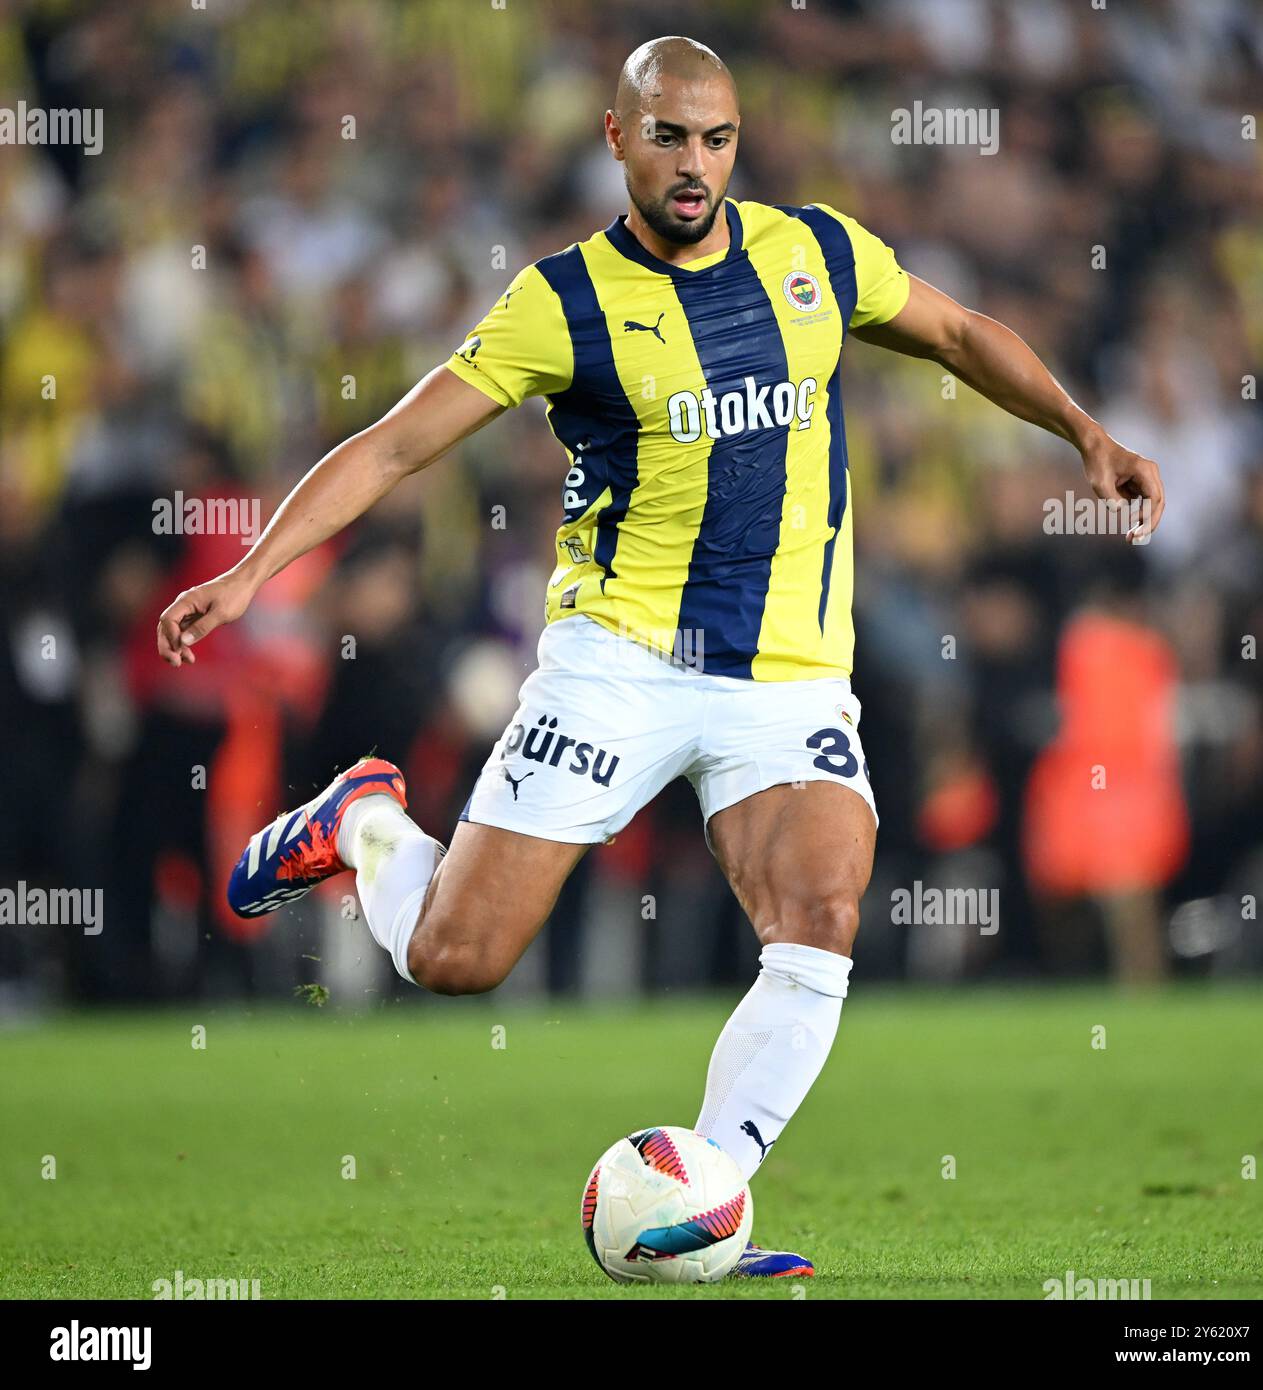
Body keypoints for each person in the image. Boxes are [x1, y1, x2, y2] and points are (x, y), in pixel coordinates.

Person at [157, 36, 1165, 1277]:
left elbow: (958, 333)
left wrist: (1082, 429)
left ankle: (707, 1199)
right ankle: (367, 823)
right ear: (616, 136)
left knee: (819, 913)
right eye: (671, 137)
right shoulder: (559, 302)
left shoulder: (813, 253)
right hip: (617, 662)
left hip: (787, 671)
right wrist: (254, 567)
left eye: (719, 138)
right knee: (456, 961)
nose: (697, 166)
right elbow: (392, 446)